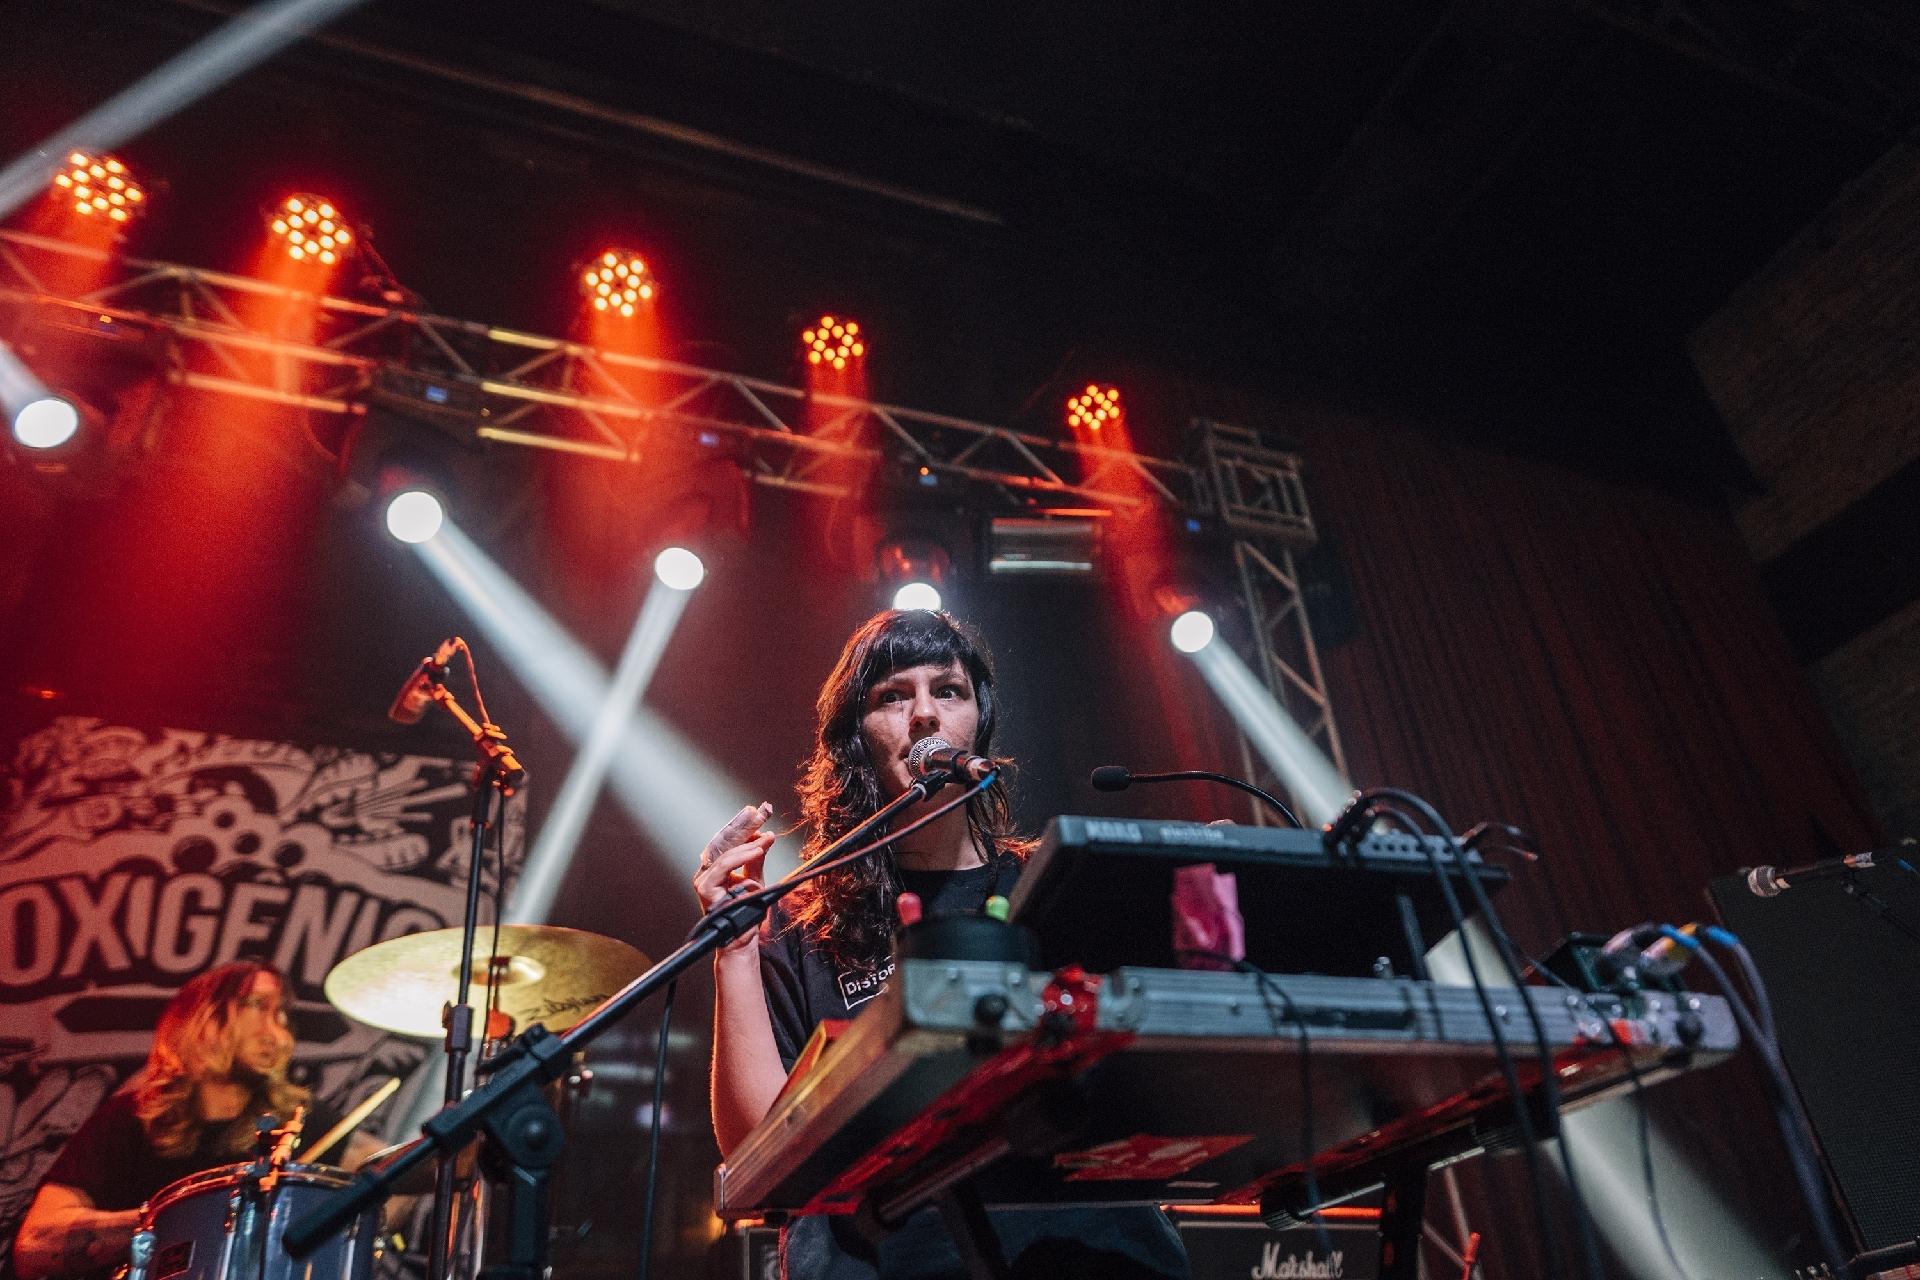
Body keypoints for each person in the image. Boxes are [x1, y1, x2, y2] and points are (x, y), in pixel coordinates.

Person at [695, 609, 1188, 1280]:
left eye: (947, 691)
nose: (924, 714)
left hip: (1091, 1249)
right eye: (893, 696)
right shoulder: (798, 918)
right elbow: (757, 1147)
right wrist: (737, 948)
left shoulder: (1055, 884)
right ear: (856, 738)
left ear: (978, 721)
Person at [10, 961, 385, 1280]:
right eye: (259, 1007)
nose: (280, 1035)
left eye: (283, 1017)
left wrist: (371, 1236)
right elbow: (34, 1245)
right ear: (202, 1019)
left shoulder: (302, 1121)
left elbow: (399, 1169)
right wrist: (173, 1221)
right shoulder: (132, 1118)